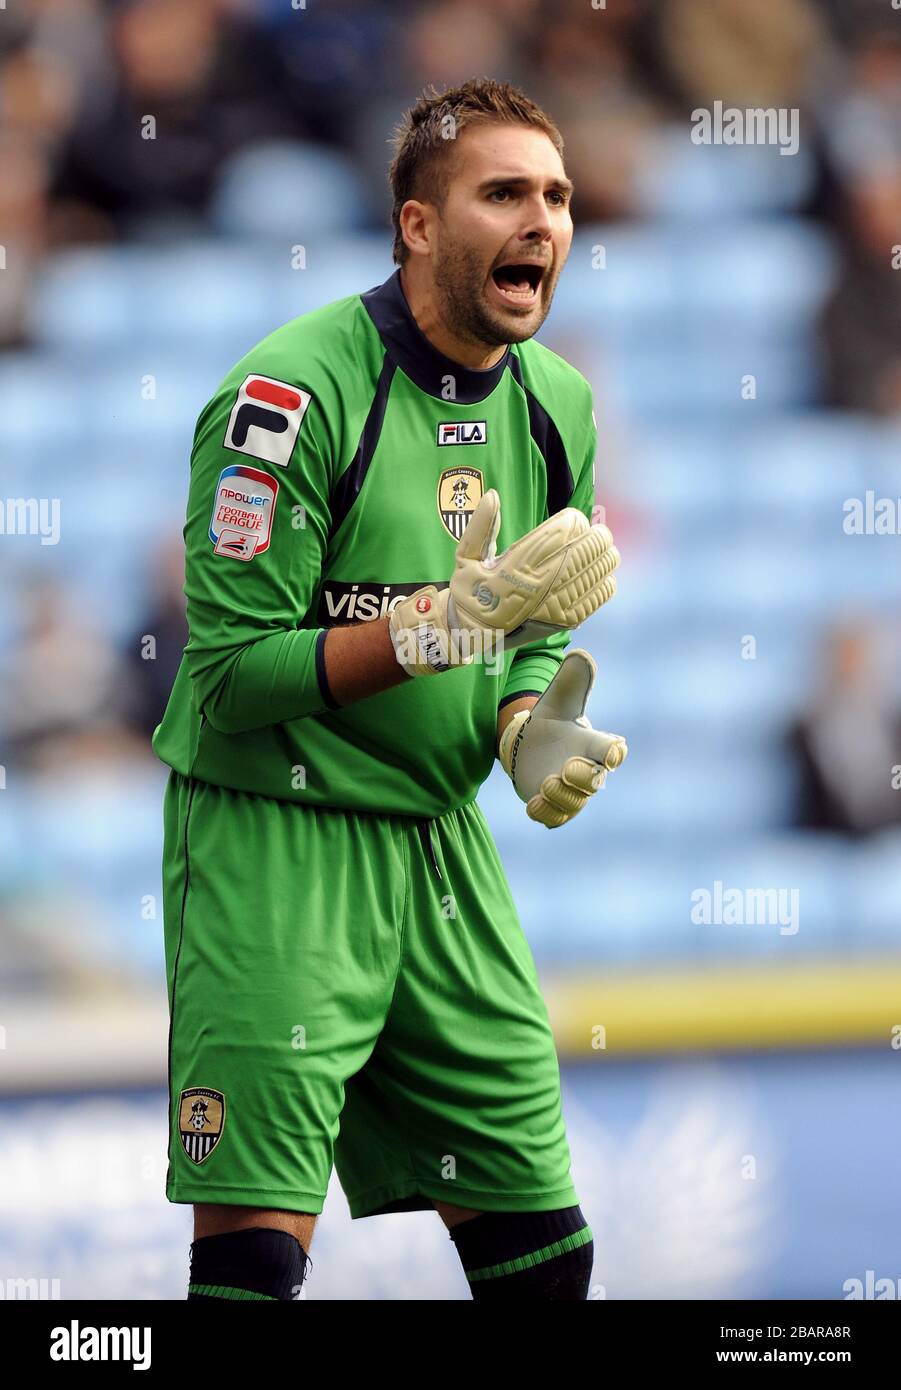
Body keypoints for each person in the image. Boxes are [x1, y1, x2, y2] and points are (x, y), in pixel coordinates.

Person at [153, 77, 627, 1303]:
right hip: (277, 842)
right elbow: (229, 675)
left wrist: (527, 719)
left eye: (558, 198)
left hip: (437, 848)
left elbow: (530, 619)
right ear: (419, 225)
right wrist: (437, 628)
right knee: (255, 1263)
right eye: (505, 193)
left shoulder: (560, 404)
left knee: (545, 1261)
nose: (543, 223)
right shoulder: (288, 396)